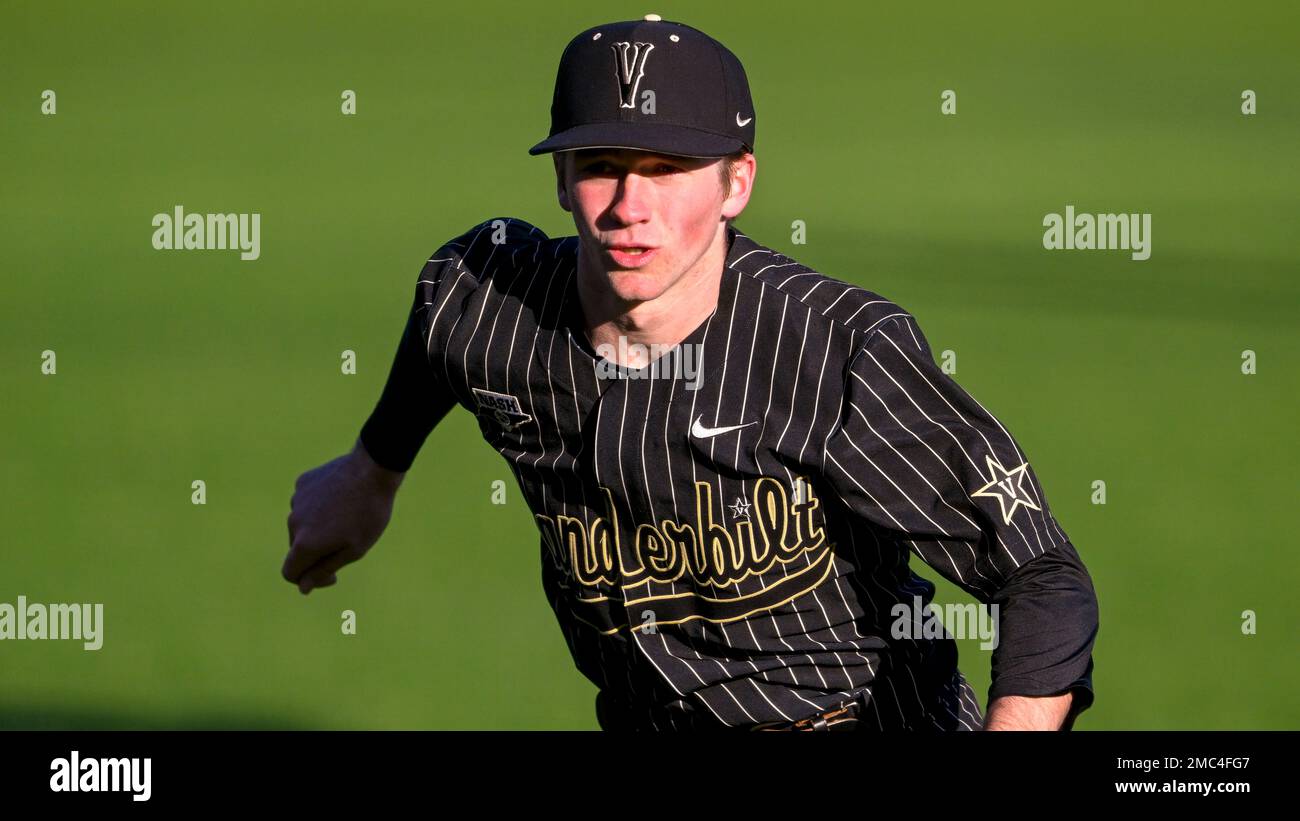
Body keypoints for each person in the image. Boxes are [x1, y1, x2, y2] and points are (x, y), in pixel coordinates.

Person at [283, 15, 1098, 731]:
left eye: (668, 168)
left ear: (736, 181)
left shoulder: (837, 348)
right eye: (601, 163)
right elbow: (445, 315)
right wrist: (372, 469)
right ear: (560, 181)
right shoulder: (493, 303)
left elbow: (1041, 577)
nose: (630, 205)